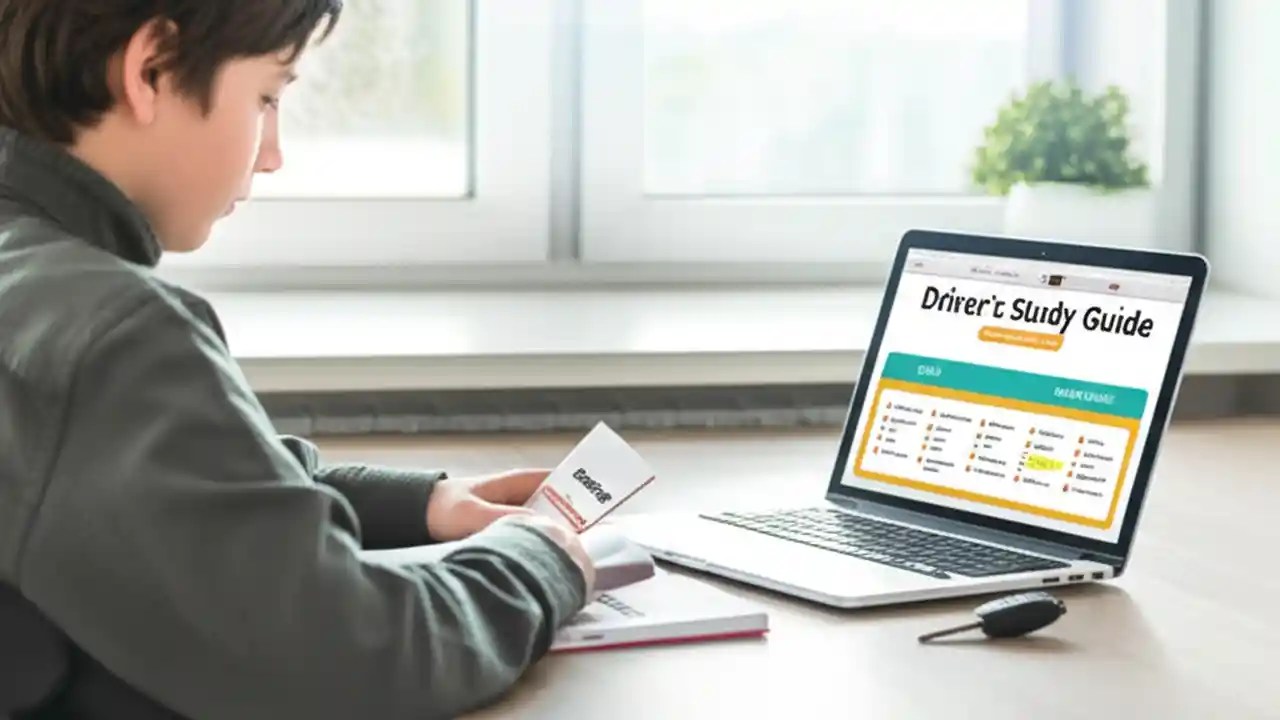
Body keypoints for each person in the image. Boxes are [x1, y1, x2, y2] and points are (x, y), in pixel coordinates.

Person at [0, 1, 595, 718]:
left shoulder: (35, 291)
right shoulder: (110, 333)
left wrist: (420, 505)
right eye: (267, 97)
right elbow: (356, 658)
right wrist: (538, 559)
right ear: (151, 67)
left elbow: (160, 480)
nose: (272, 152)